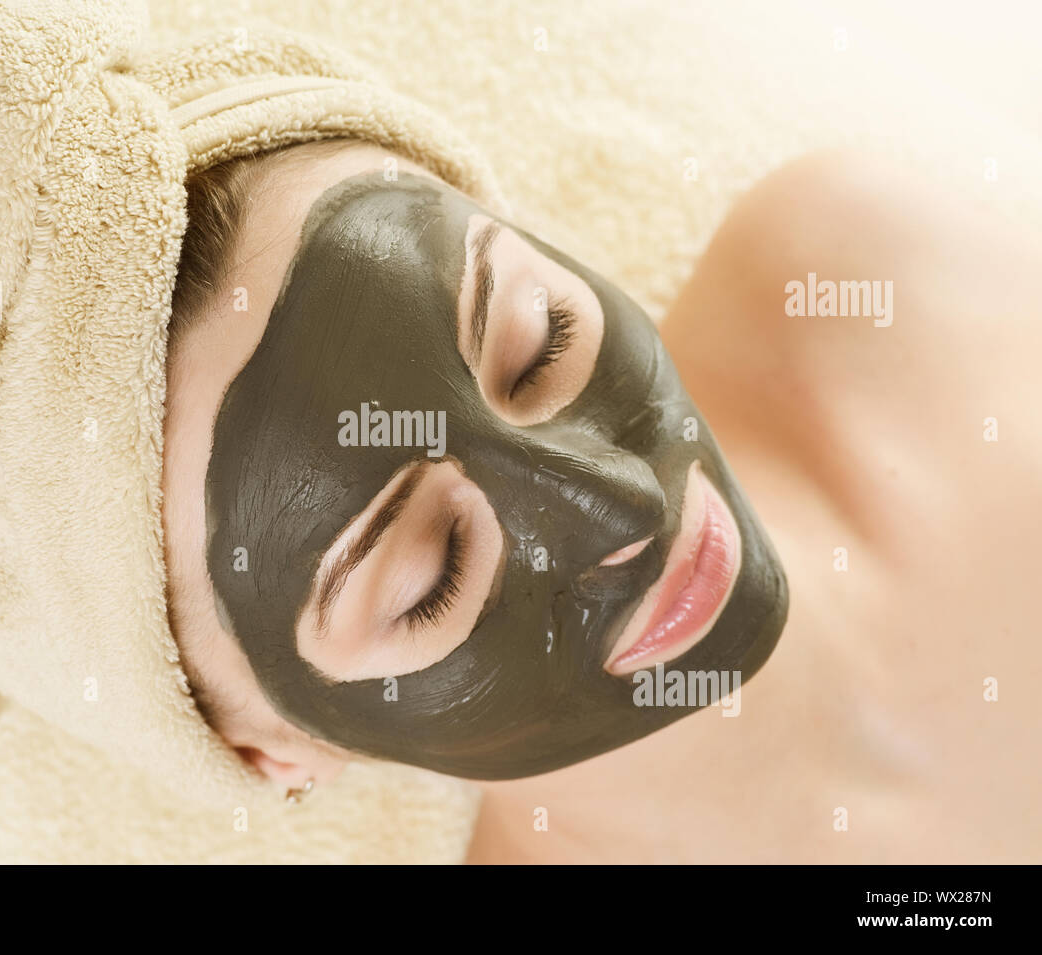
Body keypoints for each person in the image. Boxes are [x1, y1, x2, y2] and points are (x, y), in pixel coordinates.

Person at [162, 137, 1042, 862]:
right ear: (281, 751)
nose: (622, 508)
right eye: (434, 574)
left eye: (541, 345)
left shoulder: (871, 271)